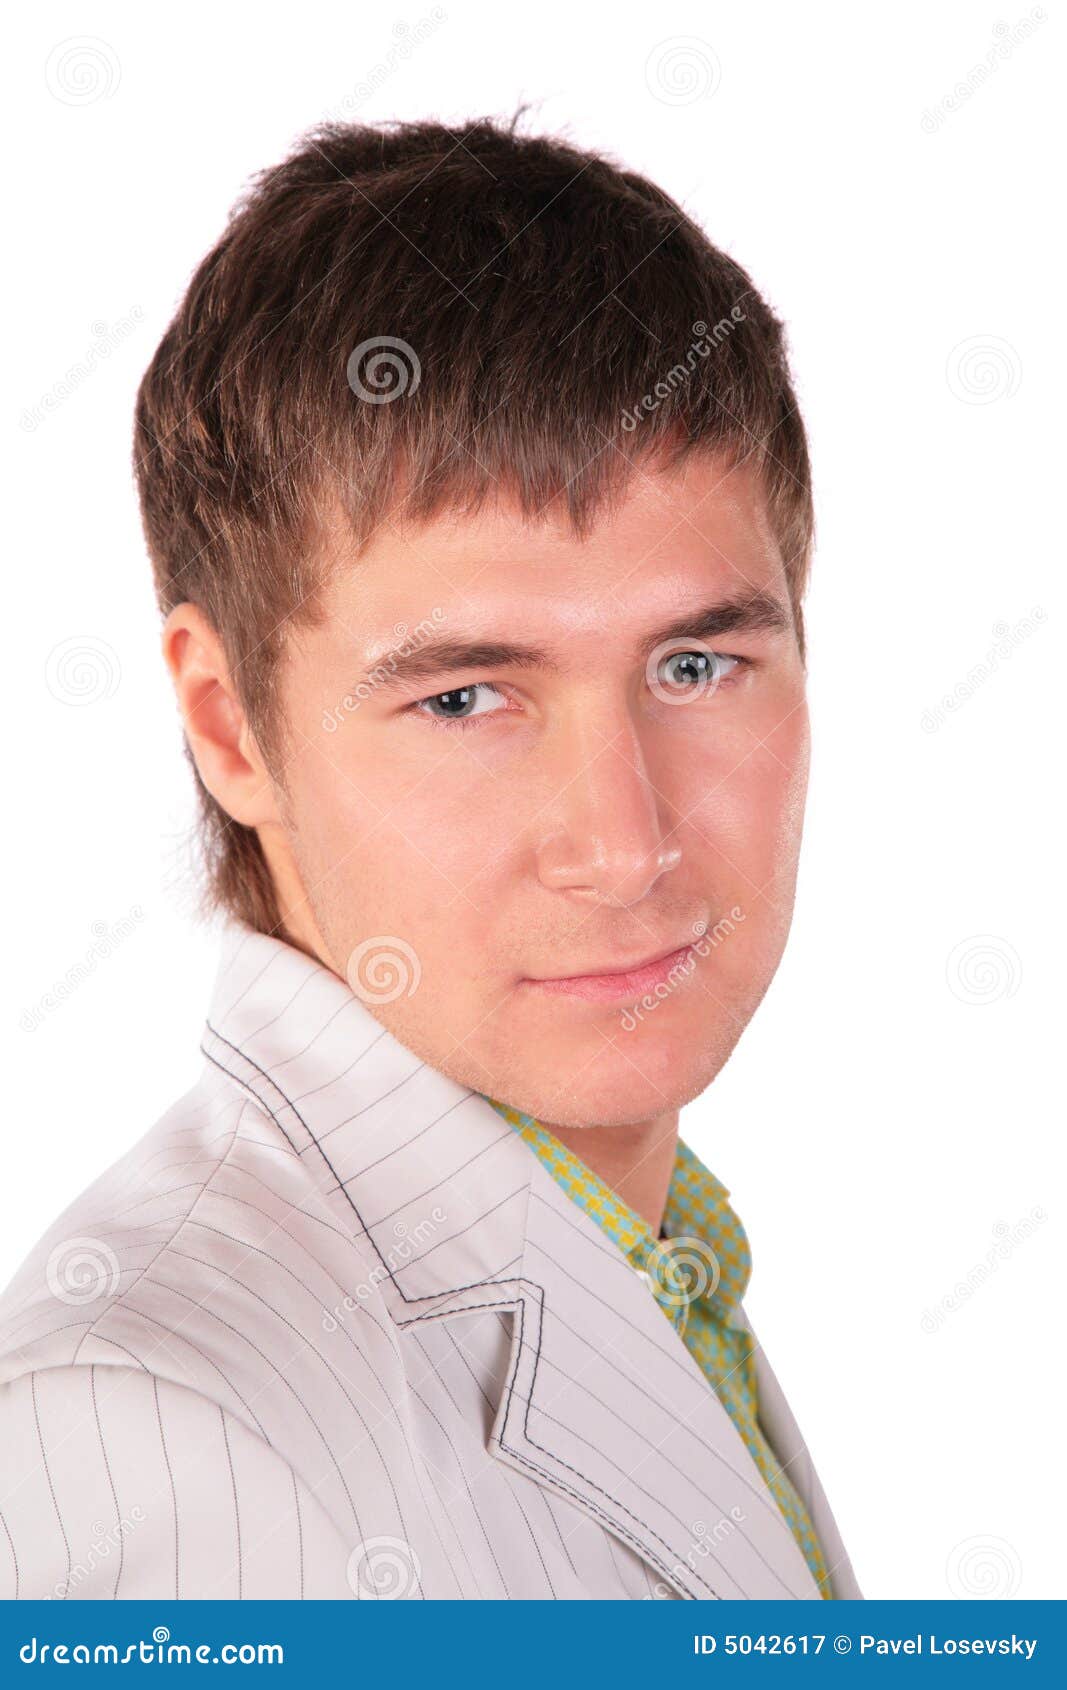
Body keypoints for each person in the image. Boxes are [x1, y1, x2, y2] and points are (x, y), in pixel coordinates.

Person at [0, 117, 861, 1600]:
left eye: (697, 664)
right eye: (465, 696)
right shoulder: (156, 1421)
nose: (625, 840)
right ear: (230, 726)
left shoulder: (660, 1259)